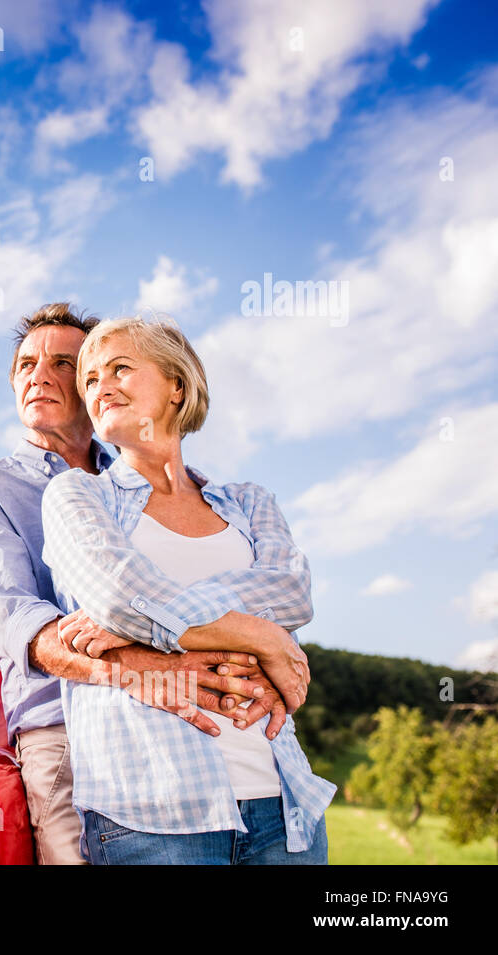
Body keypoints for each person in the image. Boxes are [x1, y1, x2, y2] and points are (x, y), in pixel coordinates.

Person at [0, 304, 287, 865]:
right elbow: (23, 628)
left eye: (64, 363)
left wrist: (272, 648)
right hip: (62, 729)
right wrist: (152, 667)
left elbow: (218, 584)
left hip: (192, 714)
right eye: (26, 364)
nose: (39, 374)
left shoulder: (150, 481)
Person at [41, 315, 336, 864]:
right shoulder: (77, 496)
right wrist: (261, 636)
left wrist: (143, 619)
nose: (100, 385)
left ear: (177, 384)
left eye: (120, 368)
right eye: (89, 379)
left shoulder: (249, 501)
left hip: (281, 803)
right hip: (151, 814)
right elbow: (119, 595)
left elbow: (293, 594)